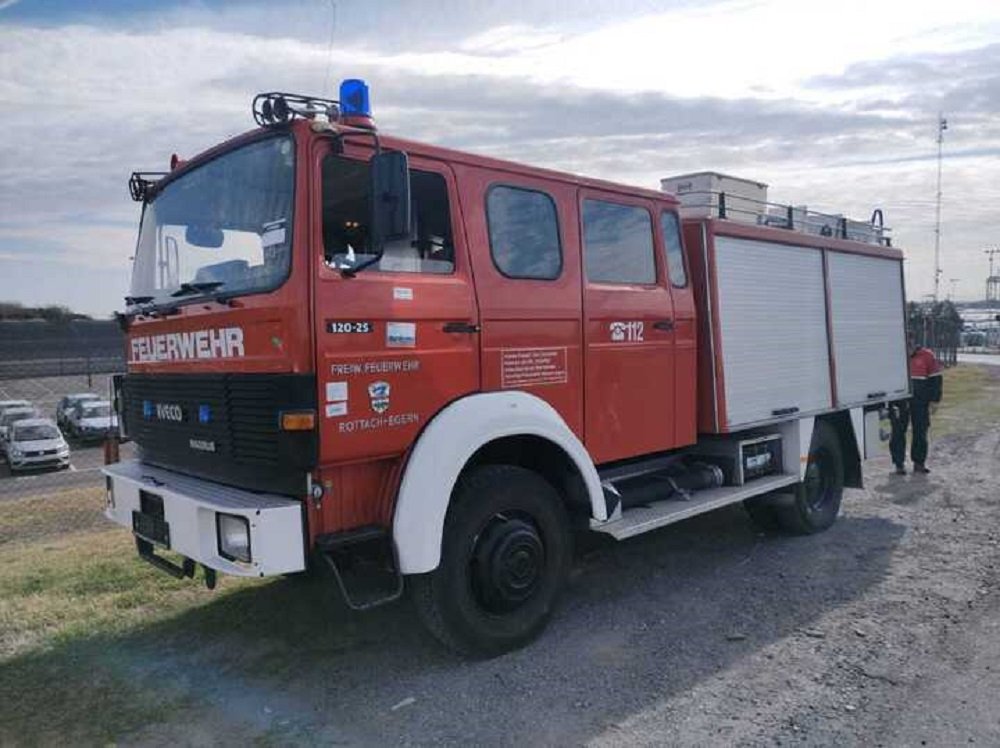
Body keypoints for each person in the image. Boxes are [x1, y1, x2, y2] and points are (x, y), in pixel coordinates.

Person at [889, 337, 943, 475]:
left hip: (920, 402)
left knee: (920, 431)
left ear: (914, 342)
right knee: (897, 432)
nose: (908, 347)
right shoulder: (893, 355)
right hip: (899, 401)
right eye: (905, 344)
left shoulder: (927, 356)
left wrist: (935, 400)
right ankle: (899, 464)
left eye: (910, 343)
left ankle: (919, 463)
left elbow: (936, 380)